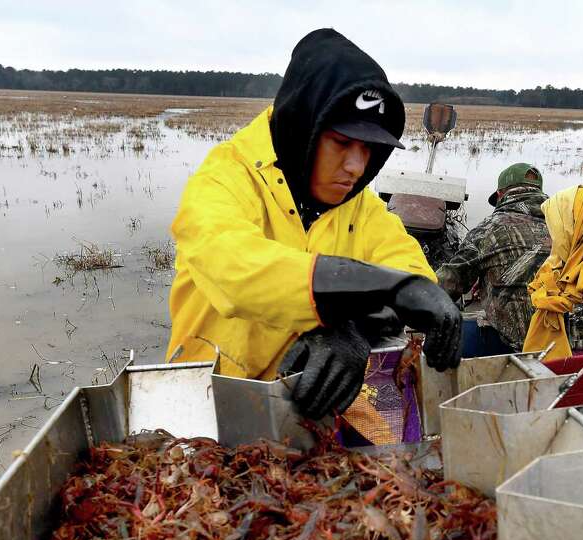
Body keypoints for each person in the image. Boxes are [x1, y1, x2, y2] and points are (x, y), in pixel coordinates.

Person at [165, 29, 461, 419]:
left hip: (309, 406)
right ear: (301, 128)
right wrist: (376, 293)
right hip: (209, 402)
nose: (356, 166)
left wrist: (355, 325)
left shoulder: (358, 206)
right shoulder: (223, 180)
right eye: (341, 143)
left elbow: (405, 266)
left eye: (369, 149)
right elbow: (233, 269)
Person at [437, 163, 583, 356]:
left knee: (453, 336)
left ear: (500, 195)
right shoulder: (569, 226)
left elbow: (445, 285)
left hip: (531, 349)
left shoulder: (487, 229)